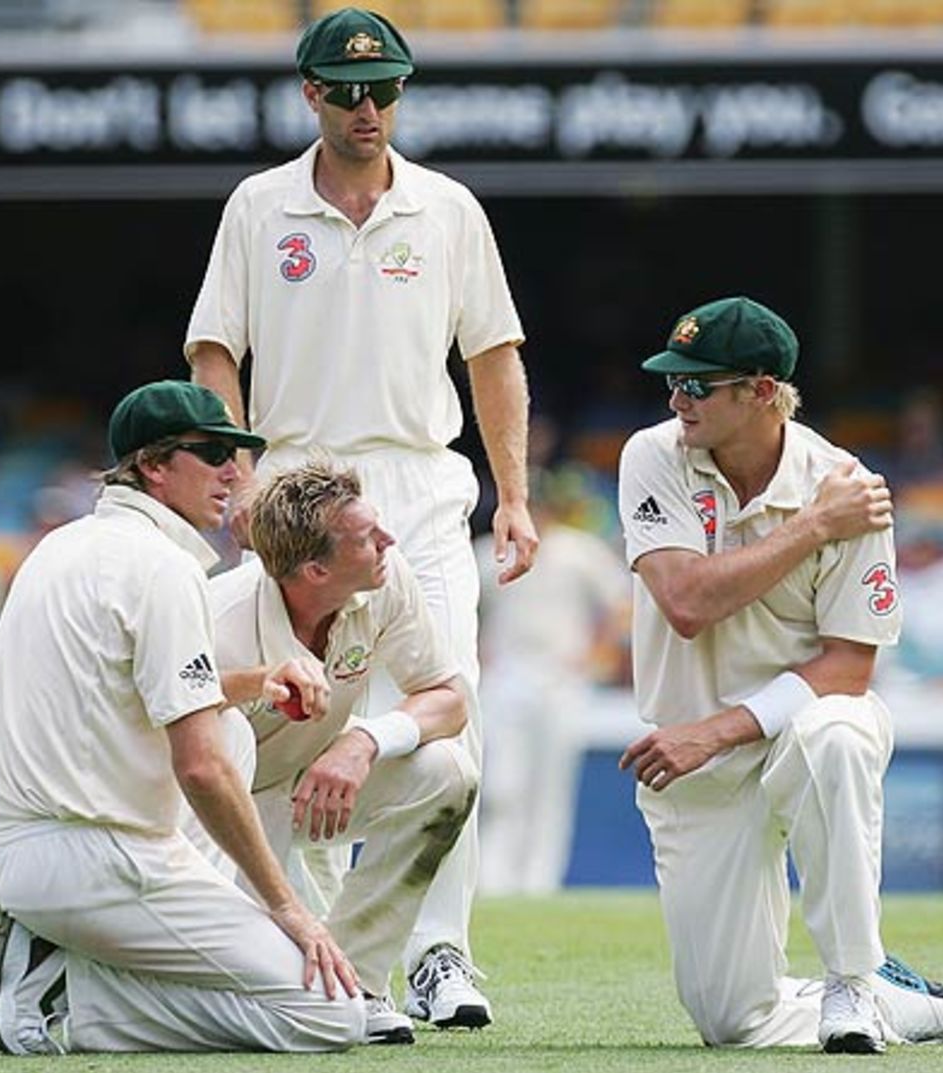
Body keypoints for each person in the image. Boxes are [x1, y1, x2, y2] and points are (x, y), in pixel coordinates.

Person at [184, 6, 537, 1026]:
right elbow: (215, 349)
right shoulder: (260, 206)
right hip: (296, 486)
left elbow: (493, 354)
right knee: (279, 708)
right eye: (346, 92)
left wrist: (514, 494)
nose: (367, 108)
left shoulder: (447, 208)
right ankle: (292, 941)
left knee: (448, 699)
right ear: (312, 95)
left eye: (383, 89)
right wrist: (239, 478)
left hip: (417, 486)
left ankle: (439, 954)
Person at [616, 296, 943, 1053]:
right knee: (733, 1021)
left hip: (800, 720)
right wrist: (816, 524)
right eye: (672, 382)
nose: (677, 399)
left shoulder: (848, 482)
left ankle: (854, 979)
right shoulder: (655, 455)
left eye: (697, 385)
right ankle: (902, 1004)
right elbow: (687, 602)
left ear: (761, 390)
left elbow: (850, 666)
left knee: (838, 736)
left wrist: (720, 729)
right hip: (696, 756)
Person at [0, 381, 365, 1055]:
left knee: (231, 727)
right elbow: (200, 768)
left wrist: (255, 681)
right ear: (153, 465)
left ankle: (63, 960)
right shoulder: (161, 567)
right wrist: (287, 907)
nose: (233, 472)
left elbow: (124, 693)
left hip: (9, 852)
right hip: (96, 860)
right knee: (333, 1014)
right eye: (212, 454)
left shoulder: (61, 545)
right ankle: (73, 998)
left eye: (236, 454)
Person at [192, 459, 479, 1043]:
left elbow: (449, 699)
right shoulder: (216, 619)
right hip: (213, 822)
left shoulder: (385, 576)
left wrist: (364, 740)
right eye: (368, 537)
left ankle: (358, 984)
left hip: (312, 791)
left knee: (448, 771)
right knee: (246, 1000)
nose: (389, 540)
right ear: (316, 569)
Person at [476, 466, 630, 894]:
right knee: (501, 782)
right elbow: (459, 611)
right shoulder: (490, 553)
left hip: (561, 680)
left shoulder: (579, 552)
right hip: (506, 677)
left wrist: (593, 655)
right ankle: (493, 878)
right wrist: (478, 656)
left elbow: (620, 605)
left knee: (551, 785)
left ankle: (539, 883)